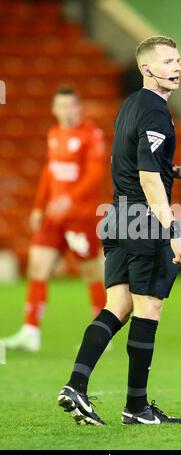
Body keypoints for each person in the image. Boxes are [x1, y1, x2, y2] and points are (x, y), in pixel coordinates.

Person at [57, 36, 181, 426]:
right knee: (149, 308)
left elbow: (131, 160)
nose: (176, 67)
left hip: (118, 214)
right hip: (144, 219)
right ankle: (136, 407)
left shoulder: (130, 106)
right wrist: (173, 230)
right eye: (168, 61)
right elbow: (147, 176)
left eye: (178, 59)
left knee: (117, 307)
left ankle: (76, 385)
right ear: (147, 68)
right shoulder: (156, 110)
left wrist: (176, 170)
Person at [2, 86, 107, 352]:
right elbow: (50, 173)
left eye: (71, 105)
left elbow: (95, 174)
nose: (66, 110)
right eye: (61, 106)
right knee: (37, 267)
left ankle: (102, 333)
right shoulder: (54, 134)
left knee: (91, 272)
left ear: (78, 108)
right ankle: (30, 331)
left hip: (80, 217)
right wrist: (39, 206)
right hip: (53, 217)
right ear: (53, 109)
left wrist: (70, 199)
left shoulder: (91, 135)